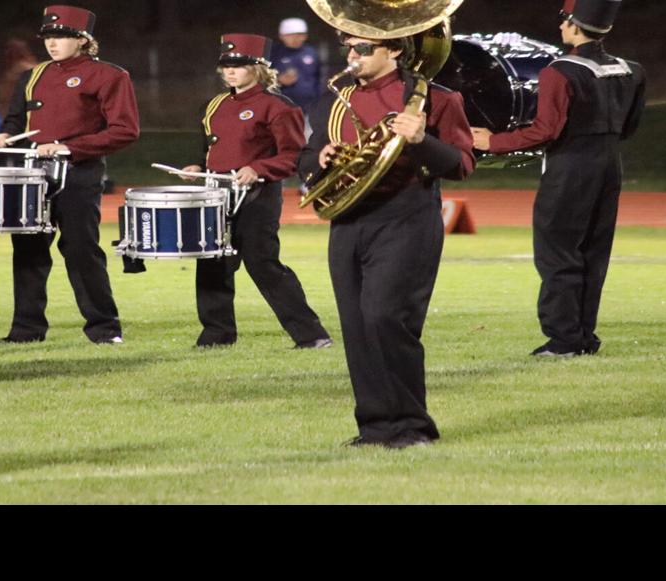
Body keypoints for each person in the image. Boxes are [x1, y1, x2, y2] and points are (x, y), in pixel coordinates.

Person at [296, 26, 474, 449]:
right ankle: (374, 426)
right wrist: (320, 160)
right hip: (349, 221)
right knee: (356, 326)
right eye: (348, 47)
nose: (351, 55)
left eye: (362, 47)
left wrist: (420, 139)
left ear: (394, 49)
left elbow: (462, 164)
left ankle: (412, 426)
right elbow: (306, 155)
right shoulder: (335, 100)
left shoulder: (436, 99)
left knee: (386, 318)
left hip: (407, 218)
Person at [471, 0, 645, 357]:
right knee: (594, 253)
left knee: (557, 253)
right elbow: (629, 127)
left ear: (575, 26)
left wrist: (493, 141)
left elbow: (544, 131)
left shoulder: (560, 71)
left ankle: (563, 339)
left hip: (570, 169)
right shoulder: (632, 70)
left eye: (565, 20)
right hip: (611, 166)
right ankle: (583, 337)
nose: (561, 26)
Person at [0, 5, 139, 344]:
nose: (52, 44)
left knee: (81, 251)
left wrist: (68, 147)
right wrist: (4, 134)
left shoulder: (110, 76)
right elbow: (15, 120)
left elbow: (125, 130)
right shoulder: (33, 75)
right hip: (32, 175)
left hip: (79, 173)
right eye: (48, 37)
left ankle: (104, 328)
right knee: (28, 251)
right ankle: (26, 330)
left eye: (62, 36)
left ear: (83, 40)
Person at [179, 33, 330, 350]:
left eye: (239, 65)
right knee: (213, 263)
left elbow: (293, 156)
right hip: (217, 194)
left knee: (263, 264)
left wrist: (258, 169)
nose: (230, 72)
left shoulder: (277, 106)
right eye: (226, 66)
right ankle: (217, 334)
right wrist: (195, 165)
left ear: (259, 68)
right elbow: (207, 147)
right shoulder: (215, 105)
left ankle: (311, 334)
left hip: (257, 196)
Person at [270, 17, 324, 113]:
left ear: (305, 36)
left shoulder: (311, 52)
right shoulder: (273, 54)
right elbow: (260, 79)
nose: (295, 38)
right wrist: (278, 80)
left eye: (299, 35)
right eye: (290, 35)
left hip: (309, 106)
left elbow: (319, 78)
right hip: (282, 106)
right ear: (281, 36)